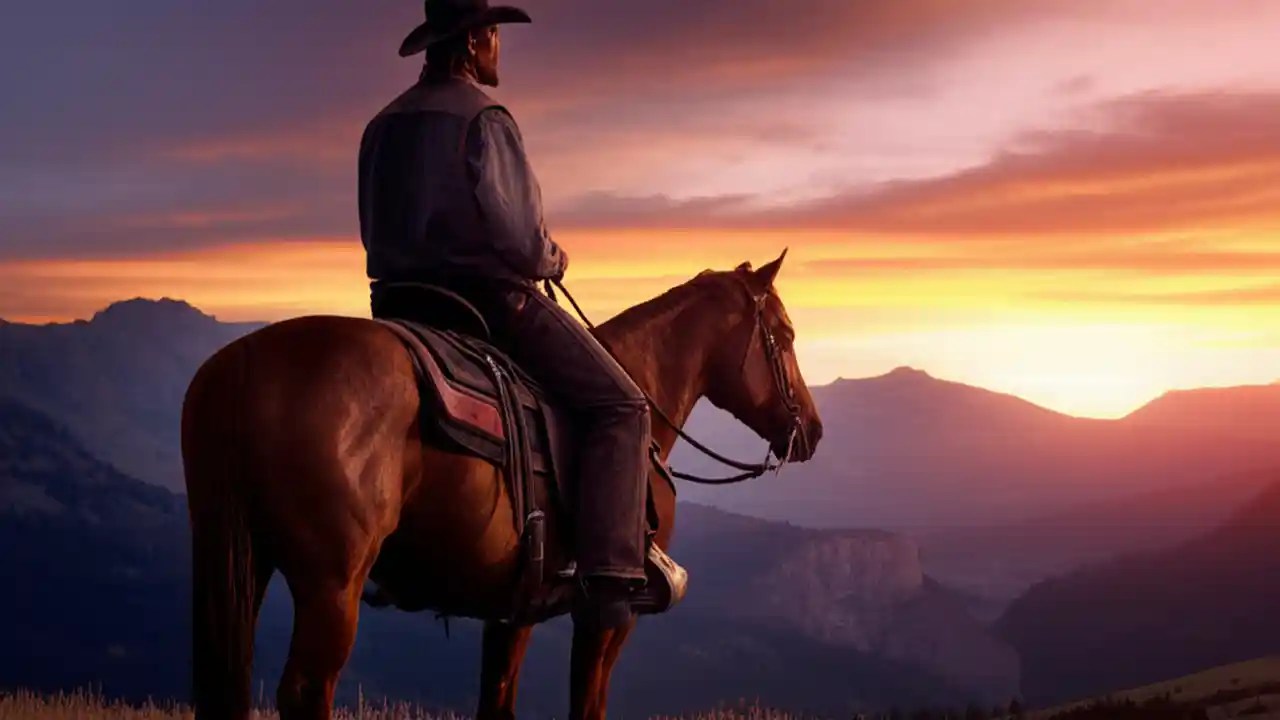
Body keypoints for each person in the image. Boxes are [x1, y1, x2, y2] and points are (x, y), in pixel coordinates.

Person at [357, 0, 684, 629]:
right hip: (485, 303)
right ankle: (612, 576)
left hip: (398, 305)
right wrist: (552, 256)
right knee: (622, 405)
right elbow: (518, 236)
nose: (498, 46)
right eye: (495, 35)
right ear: (477, 39)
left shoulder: (382, 124)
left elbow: (373, 226)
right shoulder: (486, 117)